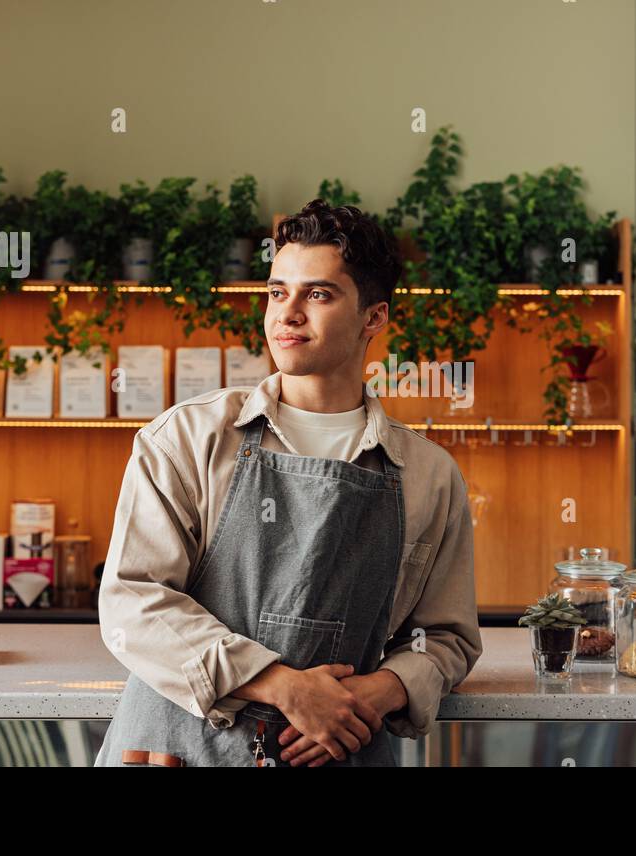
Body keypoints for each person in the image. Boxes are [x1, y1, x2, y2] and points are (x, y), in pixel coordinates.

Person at [94, 199, 482, 767]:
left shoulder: (427, 473)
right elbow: (134, 602)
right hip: (177, 748)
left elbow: (447, 638)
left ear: (374, 317)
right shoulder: (186, 437)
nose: (288, 314)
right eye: (278, 292)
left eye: (318, 294)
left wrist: (383, 690)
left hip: (340, 745)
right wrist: (286, 687)